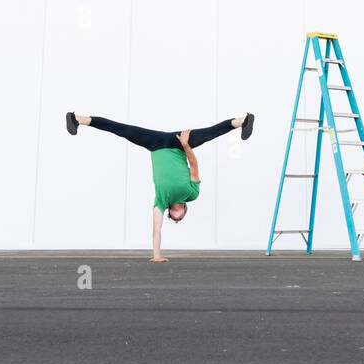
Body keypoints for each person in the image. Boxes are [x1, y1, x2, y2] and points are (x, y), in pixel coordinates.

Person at [65, 111, 254, 262]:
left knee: (122, 129)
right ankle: (242, 121)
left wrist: (156, 256)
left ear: (170, 213)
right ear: (184, 210)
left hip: (154, 144)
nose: (176, 217)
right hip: (180, 144)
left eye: (174, 219)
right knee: (209, 133)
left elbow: (156, 230)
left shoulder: (161, 201)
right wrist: (186, 146)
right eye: (180, 218)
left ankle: (77, 119)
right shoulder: (192, 194)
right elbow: (194, 165)